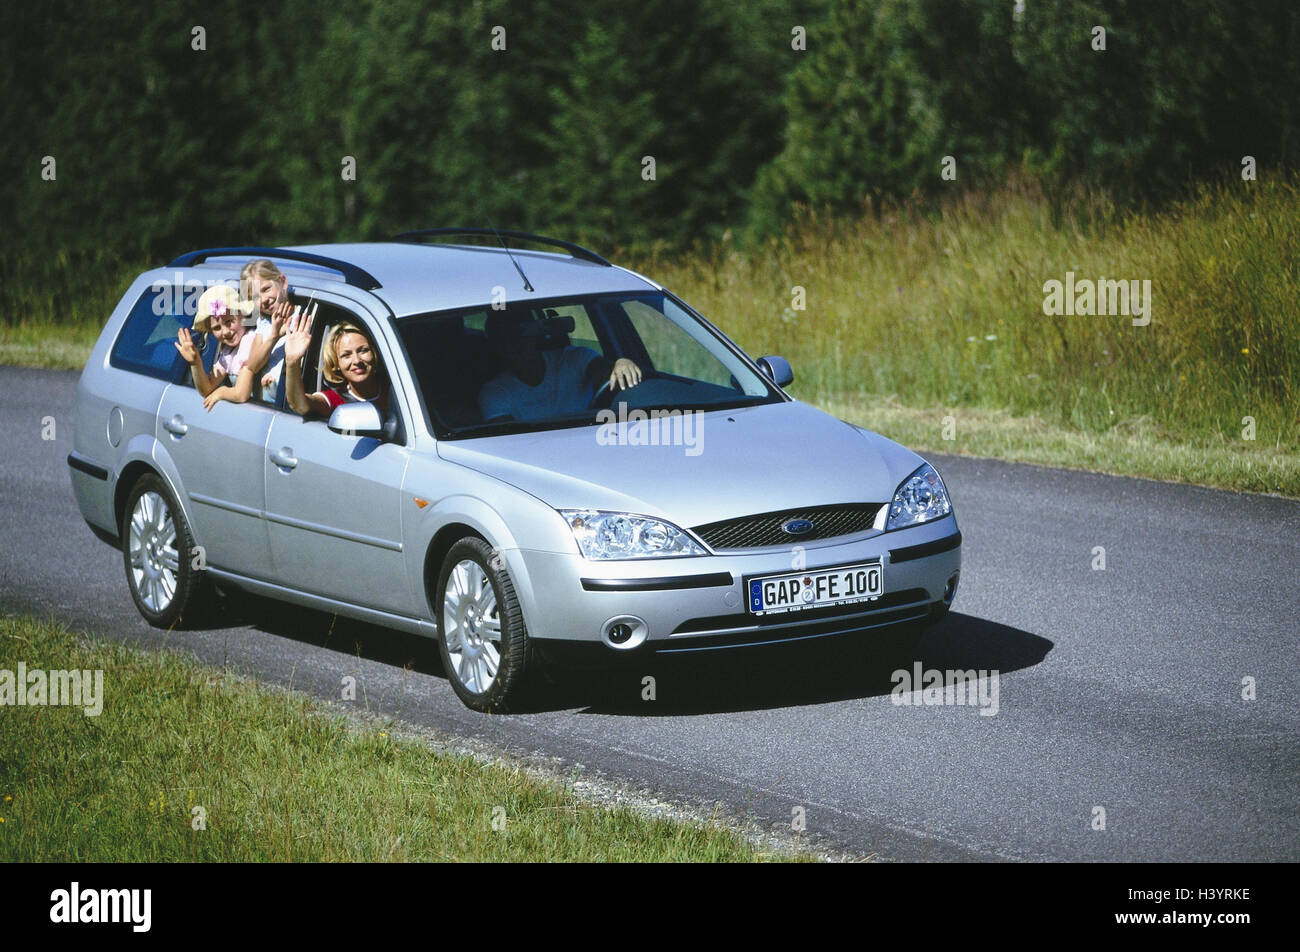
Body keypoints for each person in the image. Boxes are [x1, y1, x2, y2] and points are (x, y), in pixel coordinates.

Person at [477, 310, 642, 422]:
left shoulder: (575, 359)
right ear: (496, 346)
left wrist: (620, 364)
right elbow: (509, 441)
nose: (513, 346)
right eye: (505, 341)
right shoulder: (495, 393)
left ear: (534, 336)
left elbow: (606, 374)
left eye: (520, 336)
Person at [174, 285, 271, 411]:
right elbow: (207, 390)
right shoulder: (228, 352)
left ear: (243, 316)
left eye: (229, 322)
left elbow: (241, 395)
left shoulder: (251, 341)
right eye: (217, 328)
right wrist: (195, 362)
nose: (225, 332)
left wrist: (222, 391)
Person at [282, 311, 390, 418]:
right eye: (346, 355)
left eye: (363, 351)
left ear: (374, 352)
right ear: (336, 363)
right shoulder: (335, 399)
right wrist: (292, 362)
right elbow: (300, 405)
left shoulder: (395, 388)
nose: (357, 361)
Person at [240, 258, 297, 393]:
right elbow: (252, 366)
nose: (263, 300)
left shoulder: (303, 316)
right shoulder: (264, 324)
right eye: (255, 298)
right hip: (270, 401)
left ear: (282, 282)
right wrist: (274, 335)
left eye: (266, 289)